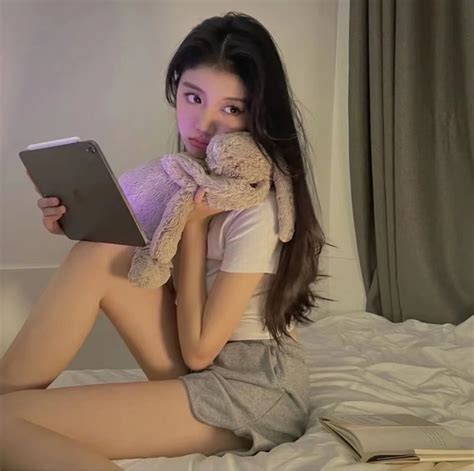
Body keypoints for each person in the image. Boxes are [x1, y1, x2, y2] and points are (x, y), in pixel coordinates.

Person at [0, 11, 327, 470]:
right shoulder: (188, 180)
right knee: (95, 254)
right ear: (176, 90)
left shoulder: (258, 207)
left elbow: (199, 351)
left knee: (3, 427)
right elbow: (132, 251)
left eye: (231, 109)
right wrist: (73, 218)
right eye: (194, 97)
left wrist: (192, 227)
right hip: (203, 361)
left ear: (258, 113)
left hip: (253, 390)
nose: (204, 123)